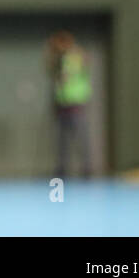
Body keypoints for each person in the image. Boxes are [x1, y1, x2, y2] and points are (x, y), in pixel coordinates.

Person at [46, 30, 93, 178]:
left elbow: (67, 76)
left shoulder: (75, 57)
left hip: (76, 104)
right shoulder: (59, 59)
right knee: (62, 142)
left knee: (81, 138)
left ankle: (87, 170)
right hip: (62, 105)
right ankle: (62, 170)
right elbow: (49, 70)